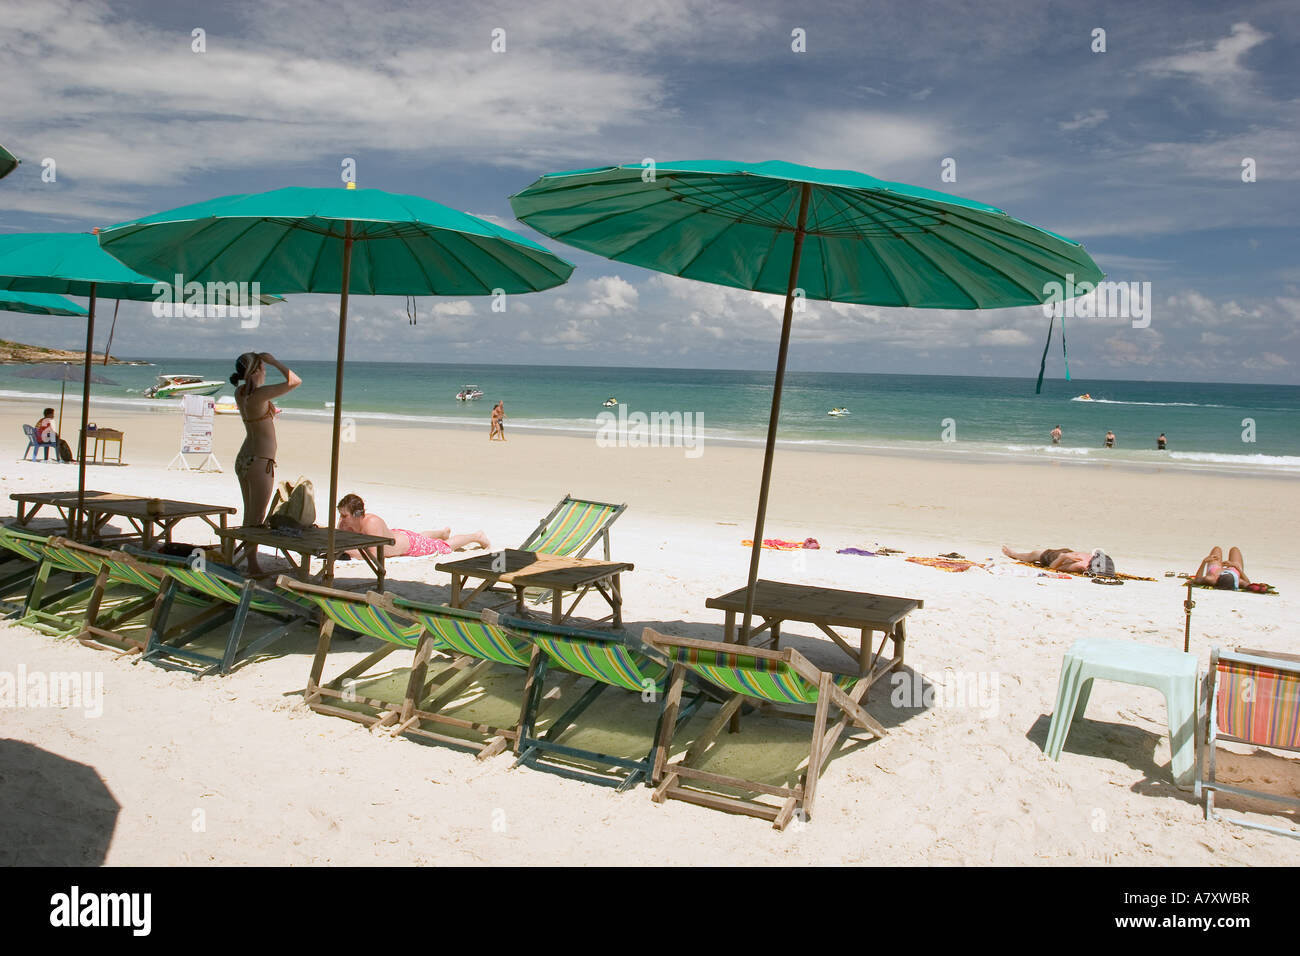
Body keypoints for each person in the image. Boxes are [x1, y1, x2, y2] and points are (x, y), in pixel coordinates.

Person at [231, 352, 301, 574]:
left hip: (245, 457)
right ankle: (252, 564)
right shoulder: (259, 395)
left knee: (249, 515)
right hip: (260, 462)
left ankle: (241, 559)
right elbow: (295, 381)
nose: (266, 371)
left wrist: (262, 366)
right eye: (264, 368)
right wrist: (275, 361)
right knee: (257, 518)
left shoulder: (240, 393)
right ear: (256, 371)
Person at [335, 494, 490, 559]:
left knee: (444, 547)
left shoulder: (372, 523)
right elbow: (337, 539)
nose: (341, 519)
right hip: (399, 536)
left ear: (357, 514)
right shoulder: (345, 524)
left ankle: (476, 536)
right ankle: (442, 532)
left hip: (409, 545)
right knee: (420, 536)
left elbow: (375, 555)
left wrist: (345, 550)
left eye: (344, 515)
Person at [1002, 544, 1103, 574]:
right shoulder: (1095, 559)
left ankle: (1013, 554)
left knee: (1033, 555)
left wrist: (1064, 557)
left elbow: (1053, 567)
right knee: (1033, 554)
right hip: (1066, 551)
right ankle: (1014, 553)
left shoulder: (1079, 566)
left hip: (1052, 557)